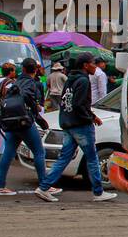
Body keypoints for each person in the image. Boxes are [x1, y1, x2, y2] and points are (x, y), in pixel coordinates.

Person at [35, 54, 116, 203]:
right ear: (85, 65)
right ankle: (98, 192)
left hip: (68, 124)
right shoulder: (84, 81)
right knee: (92, 159)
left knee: (64, 158)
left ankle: (44, 187)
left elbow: (67, 102)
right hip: (81, 126)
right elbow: (80, 104)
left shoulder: (71, 79)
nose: (95, 66)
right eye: (93, 63)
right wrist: (91, 118)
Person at [0, 57, 61, 198]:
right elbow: (33, 103)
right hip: (24, 122)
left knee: (8, 152)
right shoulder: (33, 84)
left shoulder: (15, 82)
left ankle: (0, 186)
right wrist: (39, 118)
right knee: (39, 151)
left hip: (11, 122)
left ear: (22, 69)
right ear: (35, 70)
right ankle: (44, 185)